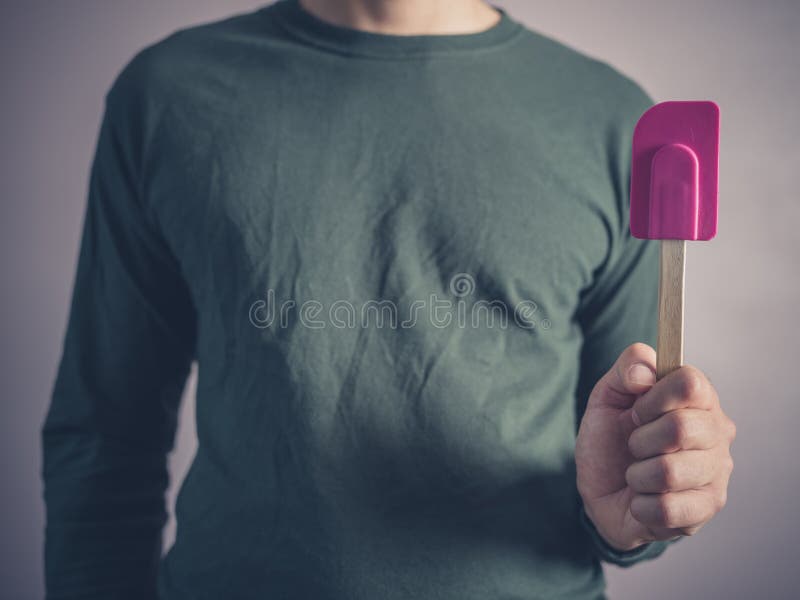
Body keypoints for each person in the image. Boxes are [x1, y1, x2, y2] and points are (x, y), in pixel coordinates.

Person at [42, 1, 736, 598]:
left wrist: (651, 497)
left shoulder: (611, 120)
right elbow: (105, 433)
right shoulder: (166, 95)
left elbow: (624, 479)